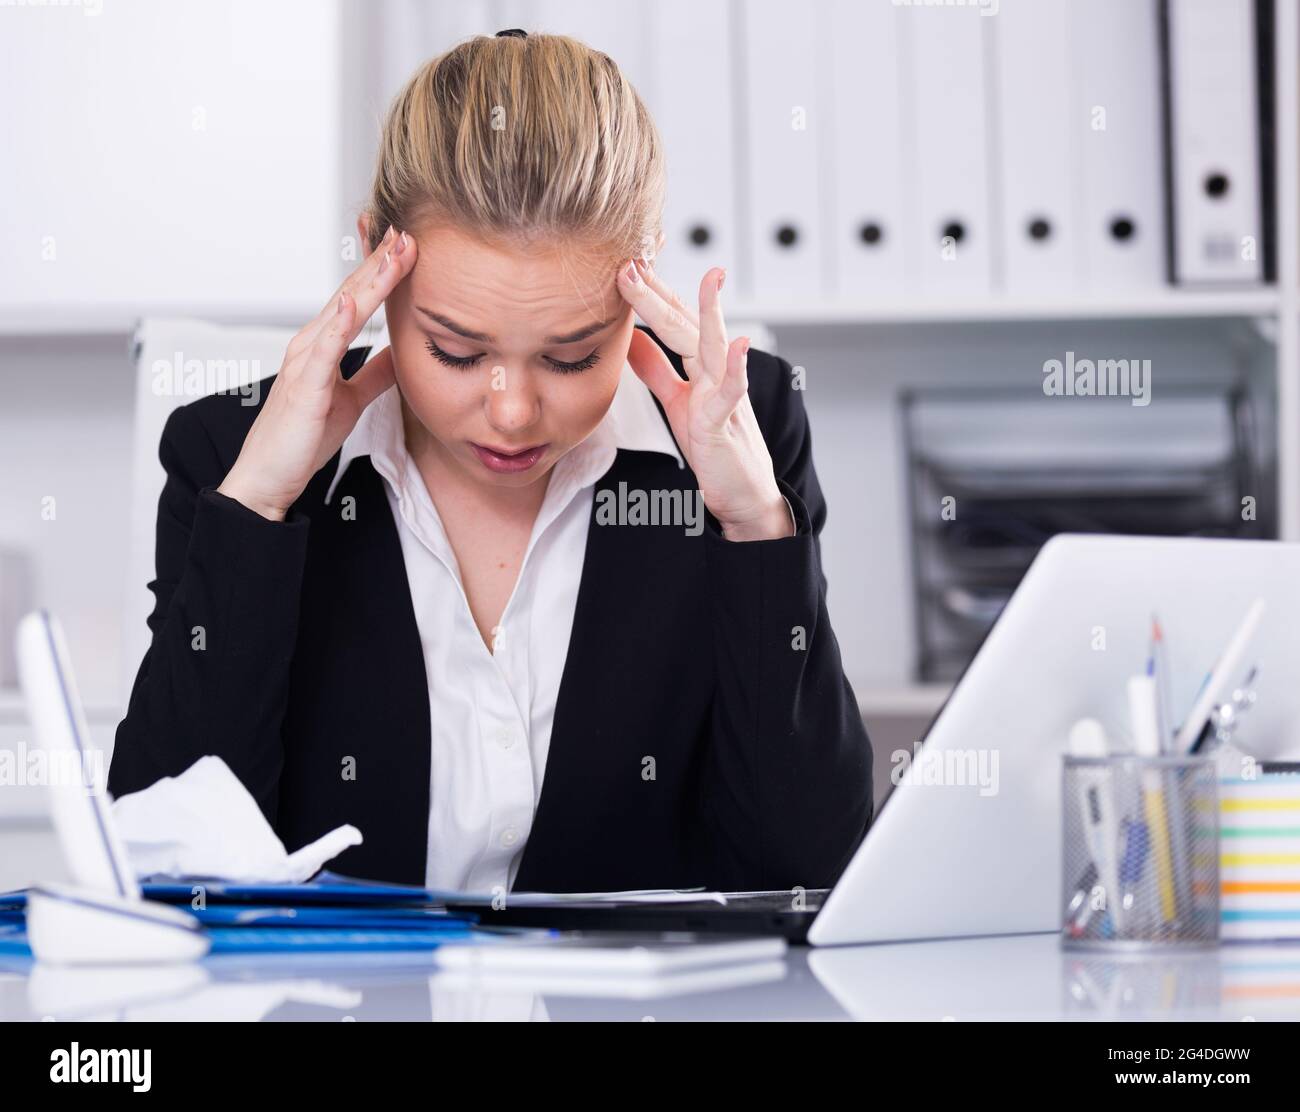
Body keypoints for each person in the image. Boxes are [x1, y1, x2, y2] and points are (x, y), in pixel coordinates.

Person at [108, 30, 873, 894]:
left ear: (642, 275)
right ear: (375, 263)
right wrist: (257, 505)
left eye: (573, 356)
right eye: (457, 352)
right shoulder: (227, 450)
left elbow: (808, 873)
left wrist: (756, 530)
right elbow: (167, 871)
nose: (512, 412)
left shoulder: (741, 424)